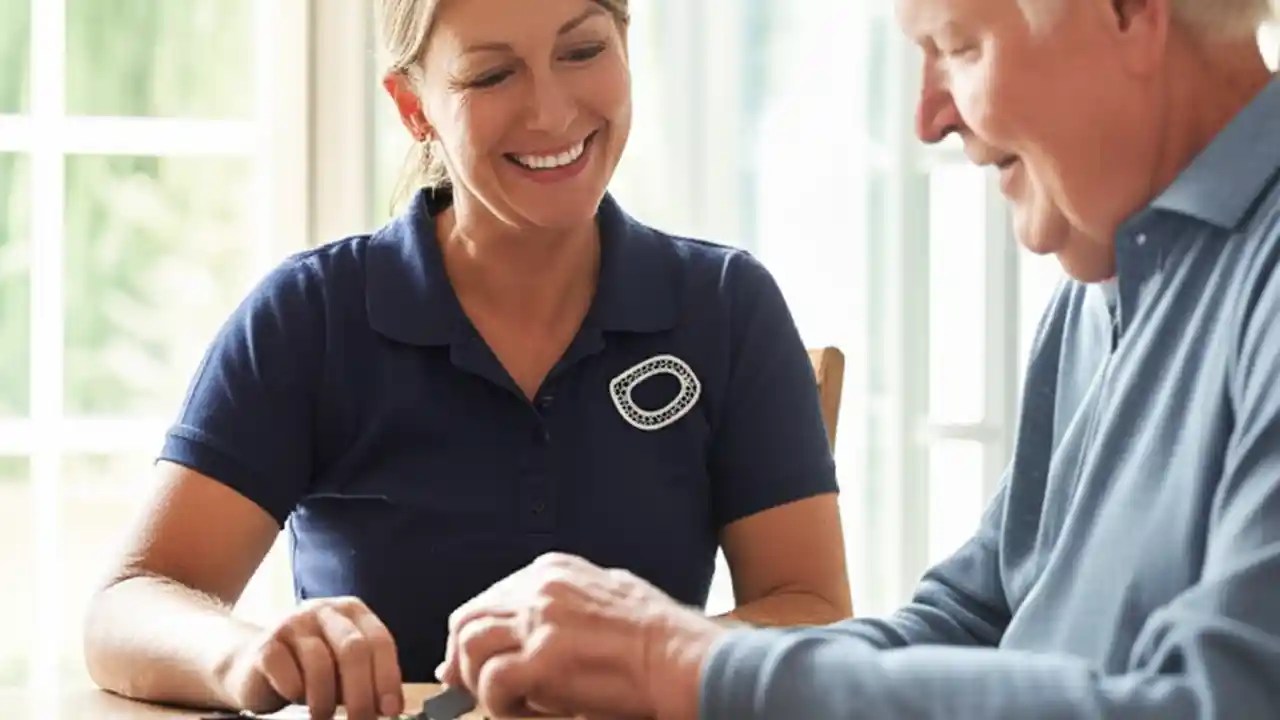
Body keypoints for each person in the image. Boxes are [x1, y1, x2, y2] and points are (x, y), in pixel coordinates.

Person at [435, 0, 1280, 717]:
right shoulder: (1104, 282)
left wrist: (686, 664)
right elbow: (971, 620)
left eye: (959, 49)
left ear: (1129, 11)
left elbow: (1222, 702)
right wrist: (656, 661)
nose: (929, 119)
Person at [80, 1, 853, 718]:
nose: (552, 111)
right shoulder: (311, 315)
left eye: (582, 51)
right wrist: (248, 655)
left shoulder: (726, 305)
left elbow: (813, 610)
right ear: (413, 107)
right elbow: (130, 604)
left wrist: (652, 654)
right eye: (491, 74)